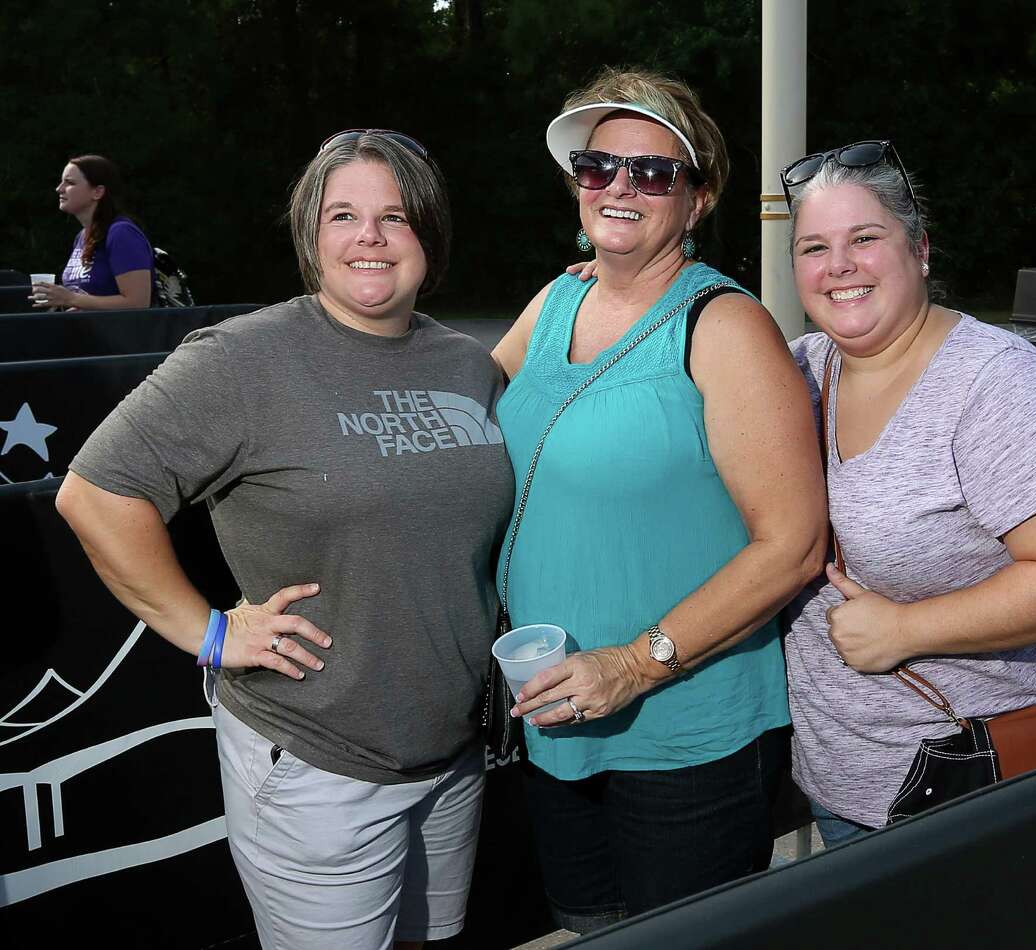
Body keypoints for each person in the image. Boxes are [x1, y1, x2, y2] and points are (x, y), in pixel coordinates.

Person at [55, 130, 514, 949]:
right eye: (343, 214)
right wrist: (210, 632)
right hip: (317, 767)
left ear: (429, 237)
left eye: (395, 216)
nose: (369, 236)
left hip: (452, 758)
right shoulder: (244, 358)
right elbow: (94, 494)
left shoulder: (465, 363)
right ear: (311, 236)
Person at [490, 68, 827, 932]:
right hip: (557, 721)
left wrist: (635, 664)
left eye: (653, 172)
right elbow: (465, 411)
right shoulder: (557, 298)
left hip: (686, 735)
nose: (619, 187)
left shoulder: (723, 327)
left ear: (698, 197)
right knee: (592, 925)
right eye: (600, 166)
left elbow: (791, 546)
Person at [779, 140, 1036, 845]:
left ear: (921, 250)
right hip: (840, 785)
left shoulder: (997, 386)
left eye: (865, 239)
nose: (838, 265)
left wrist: (907, 630)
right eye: (815, 248)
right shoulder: (800, 370)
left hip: (978, 794)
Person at [32, 155, 155, 310]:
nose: (59, 189)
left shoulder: (122, 234)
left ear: (97, 192)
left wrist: (72, 299)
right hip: (83, 333)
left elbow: (138, 303)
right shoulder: (82, 236)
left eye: (69, 182)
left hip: (119, 334)